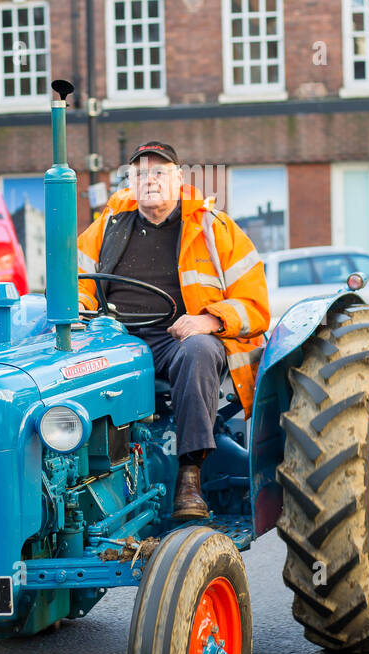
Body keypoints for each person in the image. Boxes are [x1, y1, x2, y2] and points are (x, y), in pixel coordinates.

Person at [77, 142, 269, 520]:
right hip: (114, 339)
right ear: (130, 182)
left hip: (177, 340)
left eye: (159, 172)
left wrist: (210, 320)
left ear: (179, 178)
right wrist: (80, 307)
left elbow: (256, 307)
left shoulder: (215, 230)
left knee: (200, 349)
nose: (150, 180)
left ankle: (190, 476)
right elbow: (75, 285)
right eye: (141, 174)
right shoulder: (106, 227)